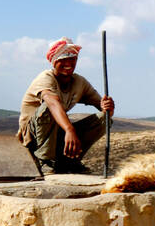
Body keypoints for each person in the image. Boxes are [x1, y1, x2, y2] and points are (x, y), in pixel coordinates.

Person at [17, 37, 115, 174]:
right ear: (54, 61)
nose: (68, 63)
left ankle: (70, 160)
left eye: (72, 58)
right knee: (49, 108)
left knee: (104, 119)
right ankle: (44, 160)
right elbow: (52, 103)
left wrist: (108, 107)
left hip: (58, 134)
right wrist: (70, 130)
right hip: (33, 138)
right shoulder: (45, 78)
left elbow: (101, 105)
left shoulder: (79, 82)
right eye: (62, 59)